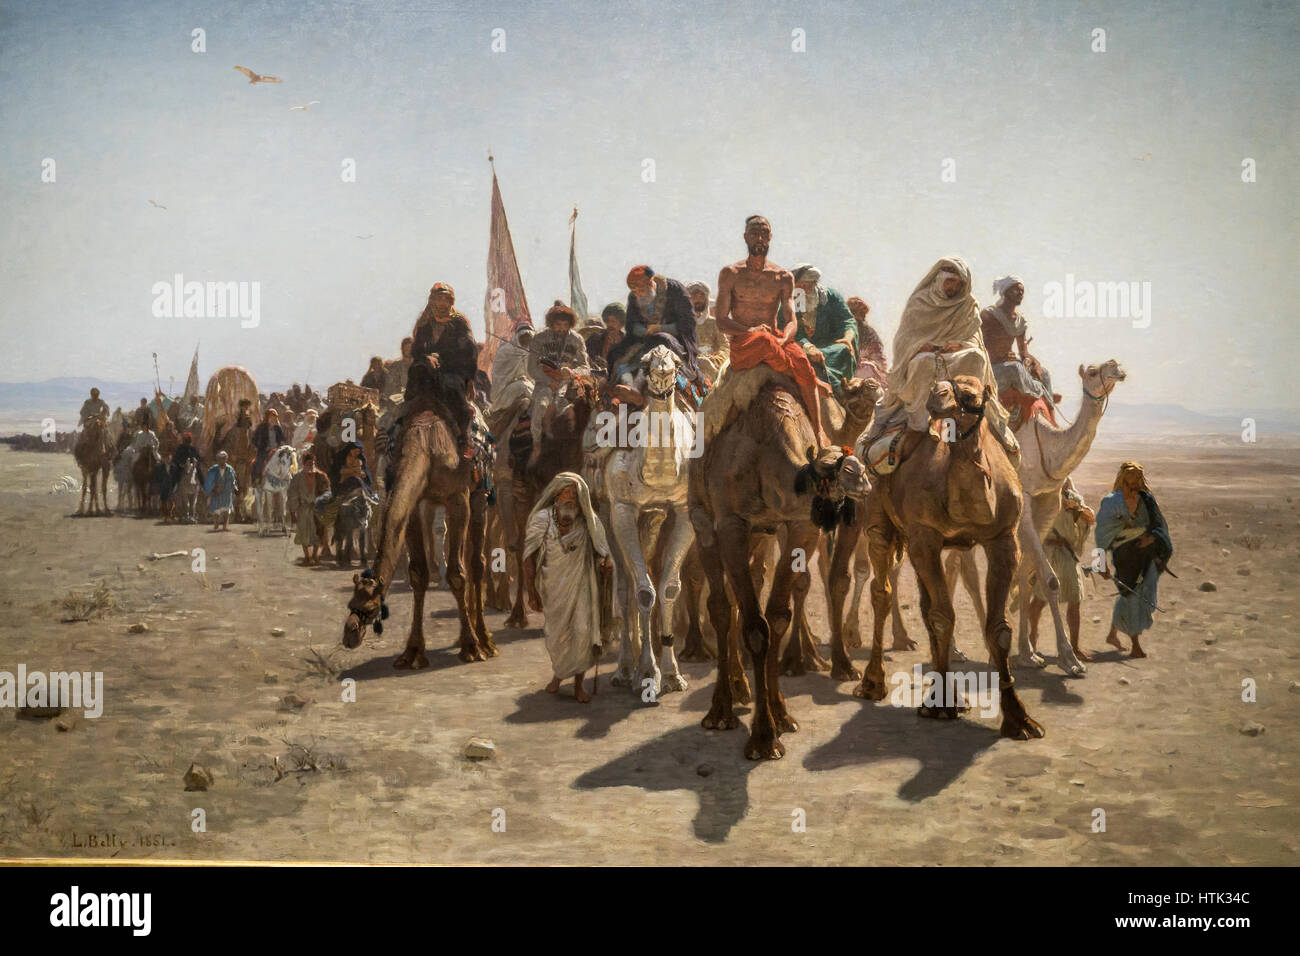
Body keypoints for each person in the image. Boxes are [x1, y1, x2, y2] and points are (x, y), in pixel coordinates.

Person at [862, 256, 1015, 453]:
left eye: (959, 284)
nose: (954, 288)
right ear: (939, 279)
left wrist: (959, 345)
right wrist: (919, 346)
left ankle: (969, 412)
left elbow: (975, 340)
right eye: (950, 281)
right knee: (922, 362)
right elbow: (904, 339)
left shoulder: (968, 305)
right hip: (926, 357)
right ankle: (919, 422)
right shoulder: (920, 301)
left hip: (956, 357)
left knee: (976, 356)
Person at [715, 215, 832, 448]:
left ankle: (818, 430)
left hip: (775, 337)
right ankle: (803, 378)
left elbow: (791, 320)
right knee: (765, 342)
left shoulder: (783, 277)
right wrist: (750, 330)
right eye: (754, 232)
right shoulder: (730, 274)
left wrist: (783, 339)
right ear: (746, 237)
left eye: (764, 233)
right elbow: (720, 320)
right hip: (745, 342)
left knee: (802, 359)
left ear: (770, 237)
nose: (759, 237)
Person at [522, 472, 612, 703]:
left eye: (575, 493)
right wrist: (531, 592)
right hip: (553, 589)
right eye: (566, 493)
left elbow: (602, 551)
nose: (570, 498)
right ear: (556, 494)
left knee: (582, 632)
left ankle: (579, 686)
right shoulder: (542, 519)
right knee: (558, 637)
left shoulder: (588, 521)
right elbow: (528, 557)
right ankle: (559, 676)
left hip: (582, 585)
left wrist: (605, 564)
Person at [1095, 461, 1173, 659]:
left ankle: (1112, 634)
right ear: (1123, 481)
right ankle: (1135, 645)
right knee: (1132, 596)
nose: (1135, 487)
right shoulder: (1111, 502)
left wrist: (1152, 537)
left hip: (1148, 555)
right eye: (1131, 483)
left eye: (1138, 481)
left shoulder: (1147, 500)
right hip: (1126, 556)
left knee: (1141, 595)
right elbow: (1102, 535)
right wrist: (1100, 563)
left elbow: (1158, 524)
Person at [406, 282, 480, 460]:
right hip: (429, 370)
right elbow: (416, 351)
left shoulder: (459, 324)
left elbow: (470, 353)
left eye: (445, 299)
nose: (442, 304)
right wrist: (427, 357)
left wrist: (469, 379)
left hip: (453, 370)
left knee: (452, 387)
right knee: (416, 376)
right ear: (432, 301)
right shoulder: (424, 325)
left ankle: (464, 437)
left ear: (450, 302)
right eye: (438, 299)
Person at [1028, 478, 1096, 662]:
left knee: (1074, 601)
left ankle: (1074, 647)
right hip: (1048, 555)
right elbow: (1032, 526)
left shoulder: (1072, 498)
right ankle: (1031, 642)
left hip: (1067, 555)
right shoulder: (1041, 499)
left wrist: (1076, 509)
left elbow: (1090, 518)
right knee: (1040, 600)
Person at [981, 275, 1058, 423]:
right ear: (1005, 292)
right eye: (1016, 290)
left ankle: (1051, 418)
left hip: (1009, 364)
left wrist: (1033, 363)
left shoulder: (1020, 321)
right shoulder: (988, 315)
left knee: (1044, 373)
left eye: (1022, 291)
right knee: (1015, 368)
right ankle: (1039, 391)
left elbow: (1023, 352)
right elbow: (980, 346)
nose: (1020, 294)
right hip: (990, 369)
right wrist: (1000, 357)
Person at [607, 266, 698, 385]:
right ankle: (619, 400)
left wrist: (660, 328)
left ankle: (641, 382)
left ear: (652, 284)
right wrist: (644, 331)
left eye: (641, 291)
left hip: (675, 340)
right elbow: (630, 325)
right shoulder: (634, 296)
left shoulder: (675, 289)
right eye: (635, 292)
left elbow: (689, 322)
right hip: (643, 339)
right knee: (614, 353)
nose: (638, 295)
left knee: (661, 339)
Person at [784, 264, 859, 397]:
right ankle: (834, 389)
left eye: (805, 286)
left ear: (815, 283)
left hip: (829, 348)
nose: (801, 290)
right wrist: (808, 346)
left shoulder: (831, 297)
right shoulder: (790, 300)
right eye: (798, 286)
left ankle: (840, 389)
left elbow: (847, 321)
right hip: (800, 347)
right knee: (804, 359)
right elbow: (784, 327)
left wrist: (847, 337)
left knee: (844, 350)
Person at [527, 302, 590, 456]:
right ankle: (536, 444)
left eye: (565, 324)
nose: (561, 328)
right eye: (558, 324)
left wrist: (572, 372)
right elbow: (531, 368)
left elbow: (585, 367)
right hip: (544, 384)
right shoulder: (539, 338)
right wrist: (549, 381)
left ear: (570, 324)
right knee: (541, 405)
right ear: (551, 324)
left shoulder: (577, 339)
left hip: (567, 385)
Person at [288, 450, 330, 565]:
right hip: (303, 509)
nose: (310, 466)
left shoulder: (321, 477)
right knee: (304, 533)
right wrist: (293, 512)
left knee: (318, 533)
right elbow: (292, 495)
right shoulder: (297, 478)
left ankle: (315, 555)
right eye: (308, 464)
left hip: (317, 509)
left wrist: (323, 500)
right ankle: (307, 556)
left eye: (312, 464)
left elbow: (327, 491)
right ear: (304, 464)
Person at [847, 295, 889, 388]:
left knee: (866, 368)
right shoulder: (841, 331)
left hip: (869, 372)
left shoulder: (869, 333)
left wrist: (866, 361)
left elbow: (880, 361)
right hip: (845, 371)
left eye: (862, 314)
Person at [686, 281, 728, 372]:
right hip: (687, 366)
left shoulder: (714, 323)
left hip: (711, 366)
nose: (698, 299)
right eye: (694, 295)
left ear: (706, 299)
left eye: (702, 295)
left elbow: (725, 347)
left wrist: (715, 358)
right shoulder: (680, 323)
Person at [583, 303, 627, 376]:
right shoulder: (595, 338)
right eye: (608, 321)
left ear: (621, 323)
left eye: (613, 321)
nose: (610, 325)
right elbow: (583, 356)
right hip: (595, 376)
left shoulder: (627, 343)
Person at [204, 450, 238, 531]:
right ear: (217, 459)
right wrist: (213, 488)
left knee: (226, 509)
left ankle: (225, 525)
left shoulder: (230, 469)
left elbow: (233, 480)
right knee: (216, 510)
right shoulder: (213, 469)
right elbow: (209, 480)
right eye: (220, 458)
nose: (222, 460)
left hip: (226, 492)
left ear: (226, 459)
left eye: (223, 458)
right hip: (216, 493)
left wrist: (232, 488)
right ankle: (216, 524)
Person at [251, 408, 287, 484]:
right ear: (267, 418)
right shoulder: (261, 427)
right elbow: (255, 439)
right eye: (271, 417)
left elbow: (282, 439)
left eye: (274, 417)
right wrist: (257, 446)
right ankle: (257, 479)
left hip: (276, 450)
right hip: (264, 450)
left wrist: (281, 445)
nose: (273, 419)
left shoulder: (278, 428)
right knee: (259, 462)